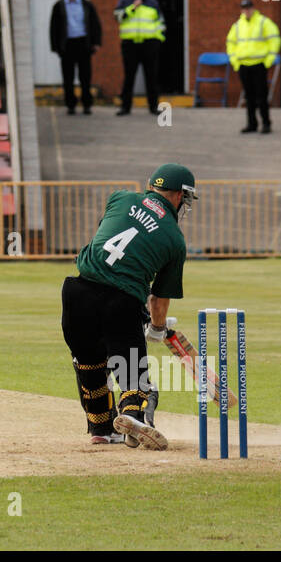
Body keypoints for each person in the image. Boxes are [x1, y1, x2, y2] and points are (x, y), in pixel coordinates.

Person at [61, 163, 195, 448]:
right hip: (121, 301)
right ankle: (133, 417)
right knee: (132, 369)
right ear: (179, 195)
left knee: (89, 366)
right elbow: (159, 297)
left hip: (77, 293)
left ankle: (101, 430)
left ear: (152, 186)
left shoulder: (120, 198)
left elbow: (107, 237)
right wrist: (156, 327)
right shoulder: (175, 239)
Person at [226, 0, 281, 134]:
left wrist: (268, 60)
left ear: (253, 8)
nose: (247, 11)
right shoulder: (237, 25)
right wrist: (235, 62)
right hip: (243, 65)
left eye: (248, 8)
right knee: (249, 96)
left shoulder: (263, 22)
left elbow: (275, 39)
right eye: (244, 8)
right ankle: (251, 124)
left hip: (259, 64)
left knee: (261, 96)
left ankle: (266, 123)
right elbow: (230, 43)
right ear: (241, 10)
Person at [48, 0, 102, 116]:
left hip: (83, 43)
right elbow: (54, 27)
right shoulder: (59, 6)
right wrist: (55, 46)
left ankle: (87, 104)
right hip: (68, 45)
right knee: (68, 77)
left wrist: (96, 42)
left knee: (85, 77)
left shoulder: (86, 5)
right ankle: (70, 105)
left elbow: (95, 24)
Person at [115, 0, 164, 116]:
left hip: (149, 44)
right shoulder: (125, 1)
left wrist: (157, 41)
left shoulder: (152, 2)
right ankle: (125, 107)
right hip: (130, 45)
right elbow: (118, 17)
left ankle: (153, 106)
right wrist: (132, 8)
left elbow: (161, 22)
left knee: (151, 76)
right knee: (129, 76)